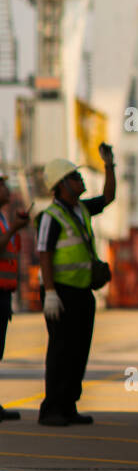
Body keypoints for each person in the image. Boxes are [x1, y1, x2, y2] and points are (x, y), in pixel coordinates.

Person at [36, 147, 115, 427]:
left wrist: (109, 166)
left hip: (82, 293)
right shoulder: (50, 216)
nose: (81, 181)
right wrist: (50, 294)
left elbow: (108, 197)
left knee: (79, 350)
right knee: (60, 351)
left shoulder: (81, 209)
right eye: (75, 177)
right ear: (61, 185)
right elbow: (43, 253)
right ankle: (51, 409)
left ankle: (68, 406)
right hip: (60, 292)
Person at [0, 171, 31, 422]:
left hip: (3, 293)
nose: (6, 188)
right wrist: (15, 230)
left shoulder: (3, 217)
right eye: (1, 184)